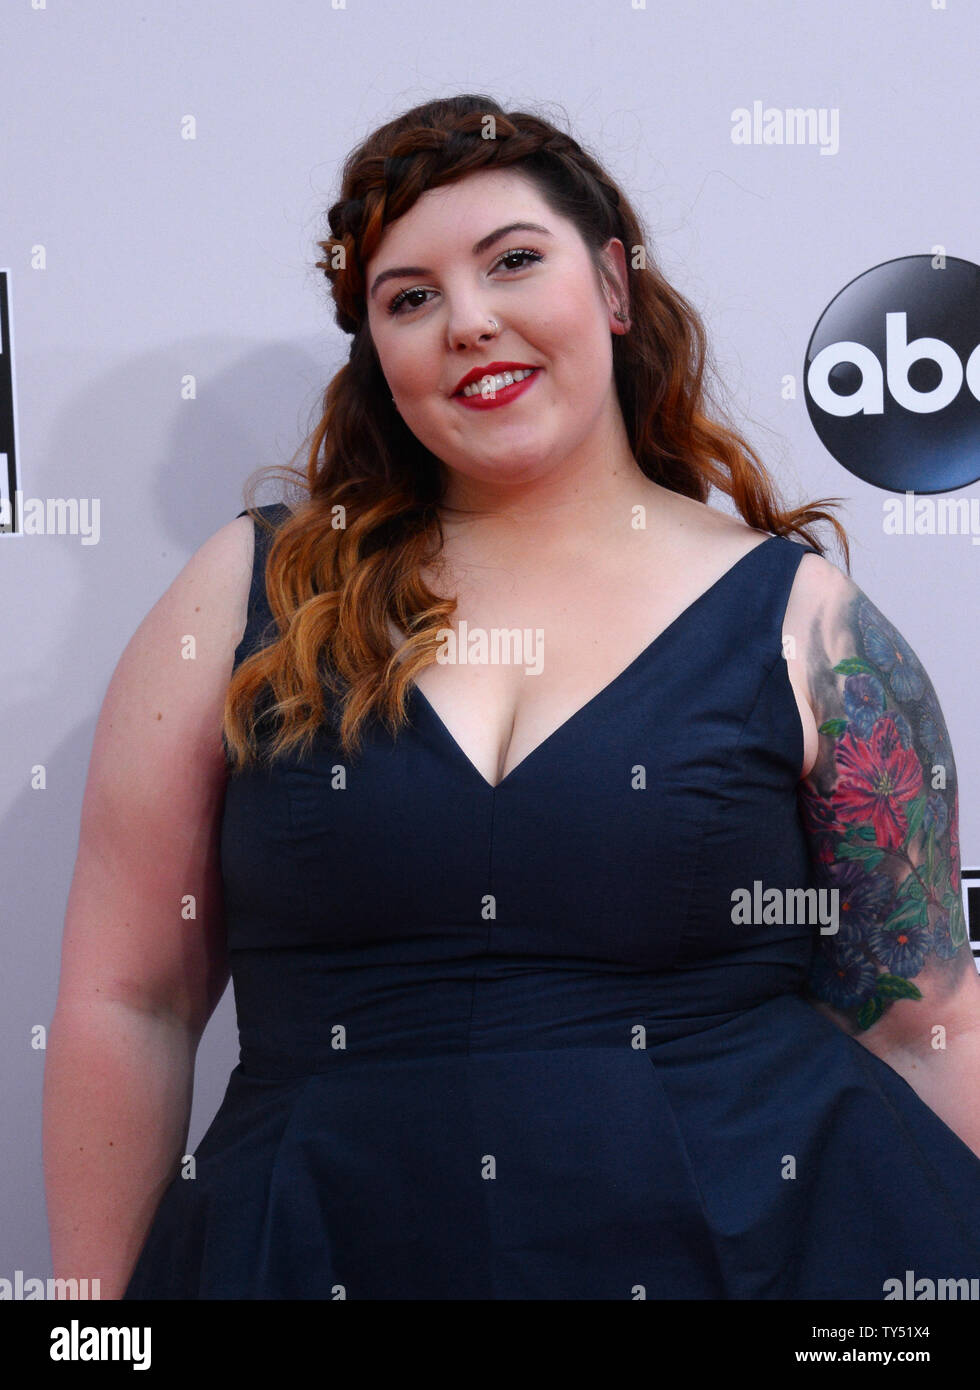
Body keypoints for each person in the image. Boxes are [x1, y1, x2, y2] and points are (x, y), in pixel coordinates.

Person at [44, 94, 980, 1301]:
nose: (469, 323)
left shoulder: (810, 626)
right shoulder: (248, 591)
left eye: (512, 263)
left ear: (611, 285)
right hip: (312, 1247)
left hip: (760, 1250)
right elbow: (134, 998)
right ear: (374, 349)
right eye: (409, 296)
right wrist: (84, 1331)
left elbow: (918, 1015)